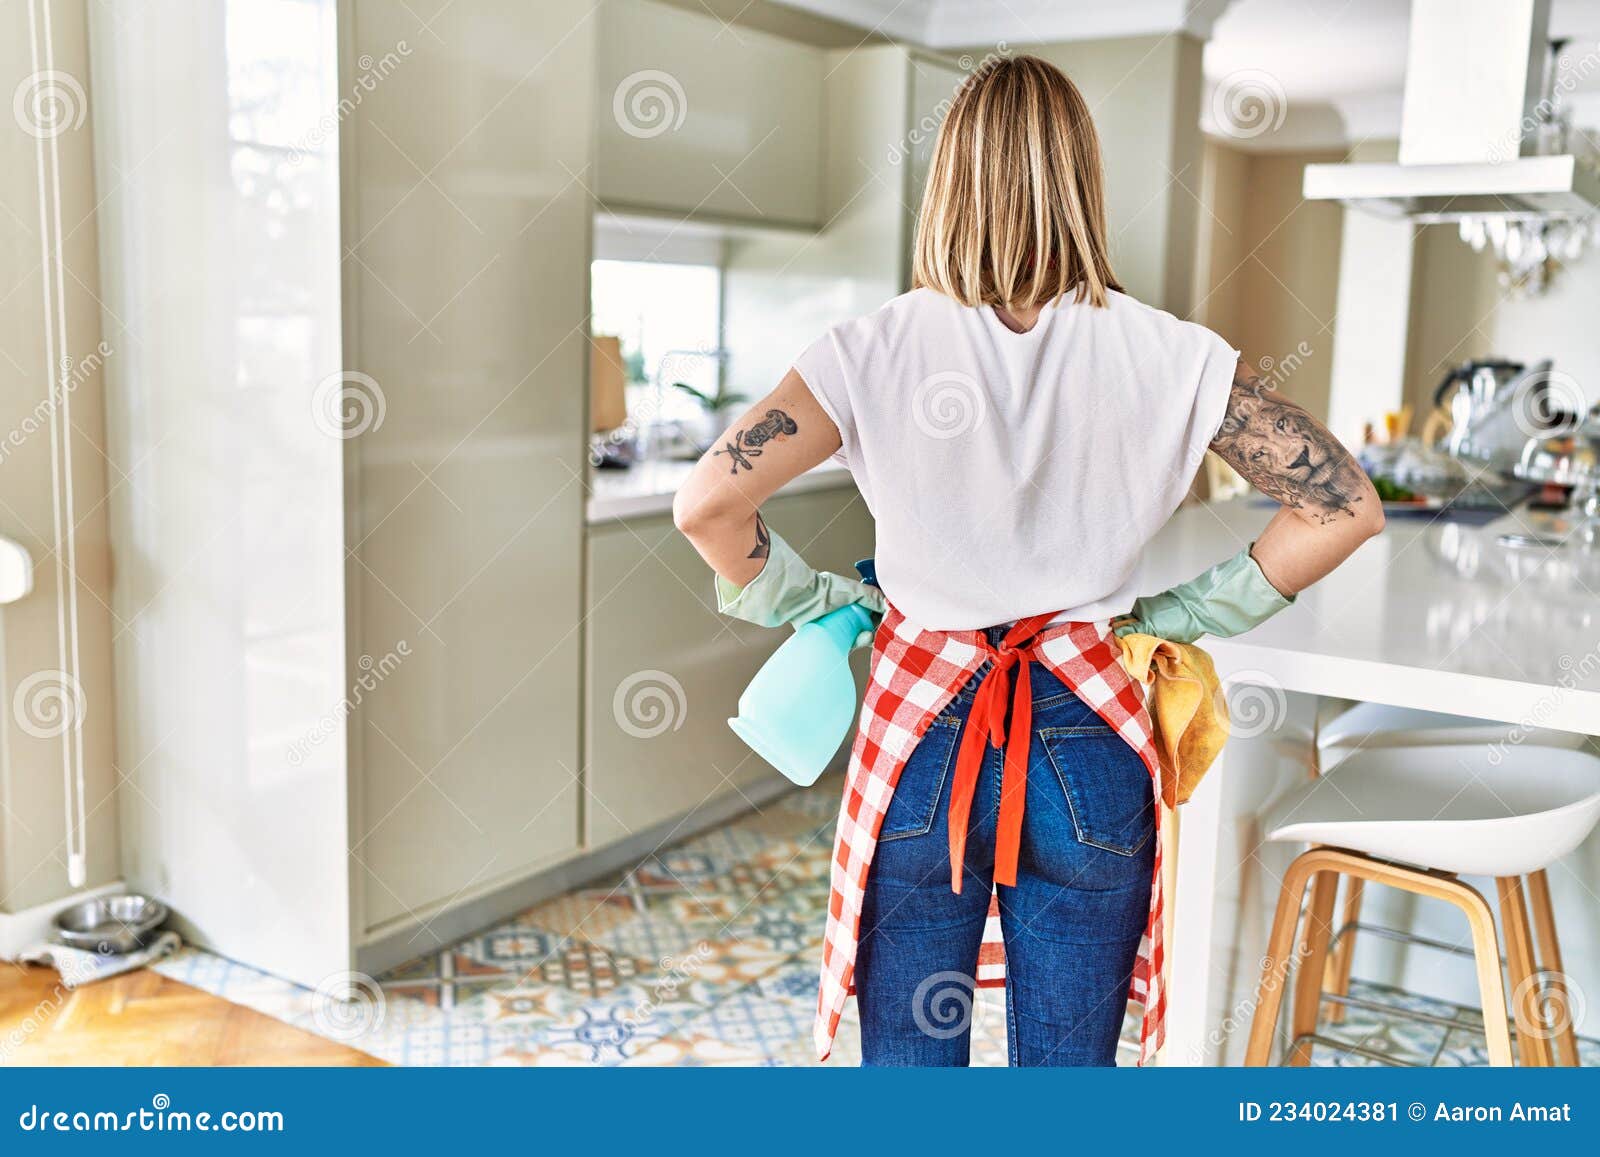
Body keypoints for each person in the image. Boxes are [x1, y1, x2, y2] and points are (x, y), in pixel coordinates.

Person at [673, 54, 1382, 1067]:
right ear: (1082, 181)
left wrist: (815, 597)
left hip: (919, 732)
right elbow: (1341, 504)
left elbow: (706, 500)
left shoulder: (868, 347)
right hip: (1091, 729)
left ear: (945, 180)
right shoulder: (1170, 352)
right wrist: (1184, 613)